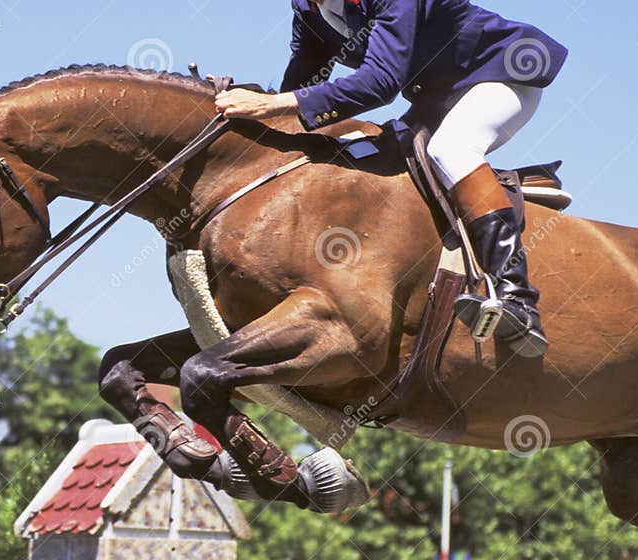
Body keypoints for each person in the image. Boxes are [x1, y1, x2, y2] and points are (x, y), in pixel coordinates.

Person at [214, 0, 567, 357]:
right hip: (436, 97)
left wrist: (273, 105)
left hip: (498, 74)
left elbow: (379, 84)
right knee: (360, 152)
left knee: (451, 151)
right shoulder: (307, 8)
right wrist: (260, 120)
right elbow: (304, 78)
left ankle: (517, 299)